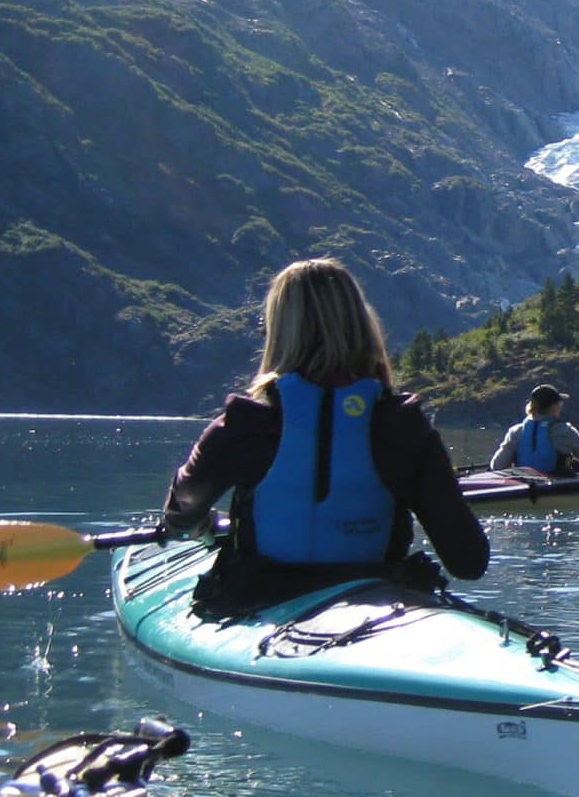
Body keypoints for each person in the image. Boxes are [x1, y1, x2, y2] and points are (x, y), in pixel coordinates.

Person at [161, 258, 487, 611]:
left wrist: (200, 522)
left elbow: (181, 513)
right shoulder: (403, 426)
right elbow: (469, 561)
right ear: (363, 326)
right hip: (374, 604)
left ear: (278, 332)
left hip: (260, 599)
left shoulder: (246, 423)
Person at [490, 384, 579, 476]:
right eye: (559, 403)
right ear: (554, 407)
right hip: (557, 485)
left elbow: (497, 465)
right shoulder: (563, 431)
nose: (561, 405)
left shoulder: (515, 432)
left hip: (524, 484)